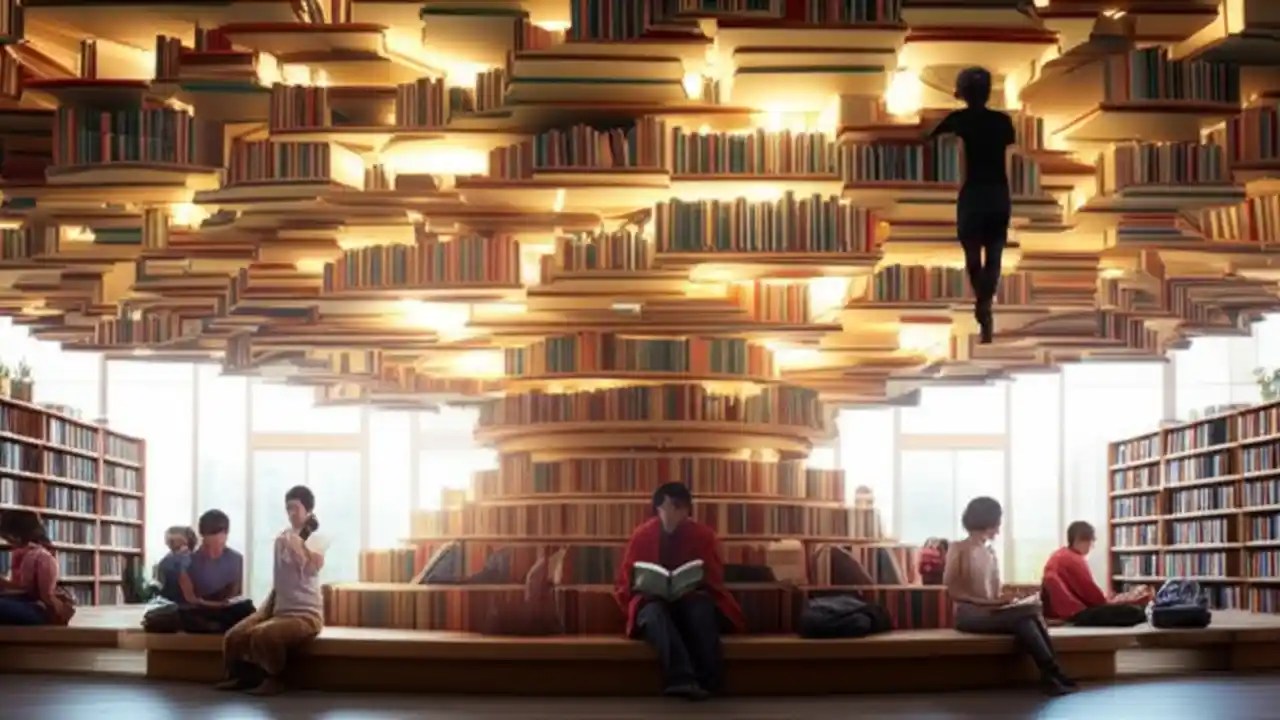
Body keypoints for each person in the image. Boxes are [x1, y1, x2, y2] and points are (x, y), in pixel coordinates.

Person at [613, 482, 745, 700]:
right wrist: (646, 588)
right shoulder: (642, 535)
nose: (674, 514)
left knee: (700, 609)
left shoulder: (703, 535)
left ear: (687, 510)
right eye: (669, 507)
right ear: (657, 509)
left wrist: (692, 585)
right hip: (652, 601)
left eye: (680, 508)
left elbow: (713, 577)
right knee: (654, 613)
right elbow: (626, 580)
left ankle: (710, 680)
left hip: (691, 599)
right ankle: (681, 679)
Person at [944, 497, 1076, 696]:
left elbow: (995, 592)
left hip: (990, 611)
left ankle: (1052, 674)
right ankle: (1052, 674)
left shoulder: (990, 552)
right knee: (1027, 616)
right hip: (968, 613)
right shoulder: (958, 549)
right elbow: (953, 591)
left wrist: (1013, 598)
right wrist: (989, 603)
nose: (998, 528)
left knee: (1028, 616)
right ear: (986, 522)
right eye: (996, 522)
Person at [928, 66, 1016, 344]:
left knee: (972, 256)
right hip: (999, 193)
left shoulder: (958, 119)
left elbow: (929, 141)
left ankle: (983, 305)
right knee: (995, 255)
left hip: (973, 193)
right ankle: (984, 305)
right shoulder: (1003, 122)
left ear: (962, 93)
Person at [218, 485, 328, 696]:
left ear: (308, 511)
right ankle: (240, 677)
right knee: (235, 635)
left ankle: (275, 680)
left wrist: (302, 538)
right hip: (277, 602)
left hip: (306, 614)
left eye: (295, 508)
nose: (291, 513)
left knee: (264, 635)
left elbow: (313, 565)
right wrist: (266, 609)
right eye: (288, 508)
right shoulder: (283, 537)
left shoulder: (317, 539)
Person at [1042, 521, 1151, 626]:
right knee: (1132, 611)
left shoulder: (1060, 555)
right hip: (1074, 613)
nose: (1091, 546)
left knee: (1128, 607)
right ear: (1081, 540)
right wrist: (1122, 600)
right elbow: (1093, 597)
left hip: (1061, 611)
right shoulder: (1073, 559)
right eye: (1091, 541)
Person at [0, 509, 75, 625]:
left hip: (38, 608)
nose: (9, 543)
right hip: (30, 603)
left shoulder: (39, 556)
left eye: (9, 538)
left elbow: (36, 593)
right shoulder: (24, 554)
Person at [180, 510, 243, 606]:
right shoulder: (187, 562)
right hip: (195, 612)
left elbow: (235, 597)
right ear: (202, 536)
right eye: (209, 546)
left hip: (228, 613)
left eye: (221, 545)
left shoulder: (236, 559)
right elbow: (190, 599)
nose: (214, 553)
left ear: (226, 536)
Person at [153, 525, 198, 603]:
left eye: (170, 541)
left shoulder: (173, 560)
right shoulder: (196, 557)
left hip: (173, 602)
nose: (166, 543)